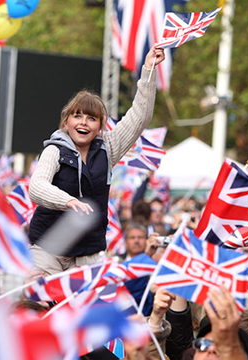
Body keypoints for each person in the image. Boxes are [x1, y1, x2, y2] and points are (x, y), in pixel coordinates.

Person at [27, 46, 165, 275]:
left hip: (88, 253)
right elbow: (36, 187)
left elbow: (140, 117)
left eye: (91, 118)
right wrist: (69, 201)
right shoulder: (54, 150)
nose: (83, 123)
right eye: (77, 116)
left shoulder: (108, 147)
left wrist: (148, 69)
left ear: (100, 125)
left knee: (88, 308)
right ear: (66, 121)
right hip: (47, 247)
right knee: (37, 301)